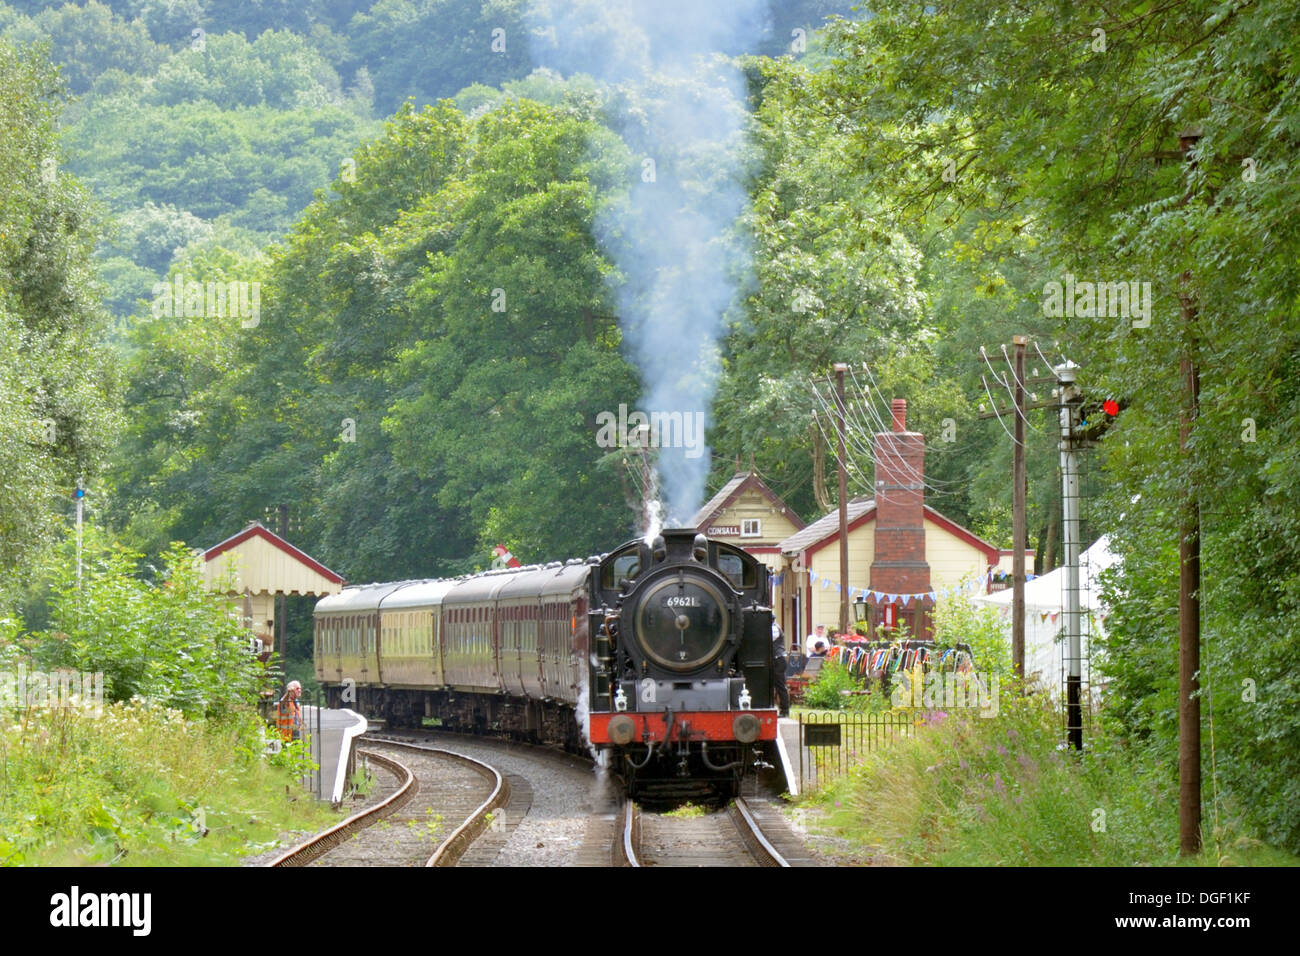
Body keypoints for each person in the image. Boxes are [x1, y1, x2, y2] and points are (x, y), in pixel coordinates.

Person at [771, 622, 791, 718]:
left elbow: (767, 638)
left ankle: (785, 710)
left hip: (778, 659)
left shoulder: (774, 628)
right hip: (776, 659)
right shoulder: (774, 627)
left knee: (780, 685)